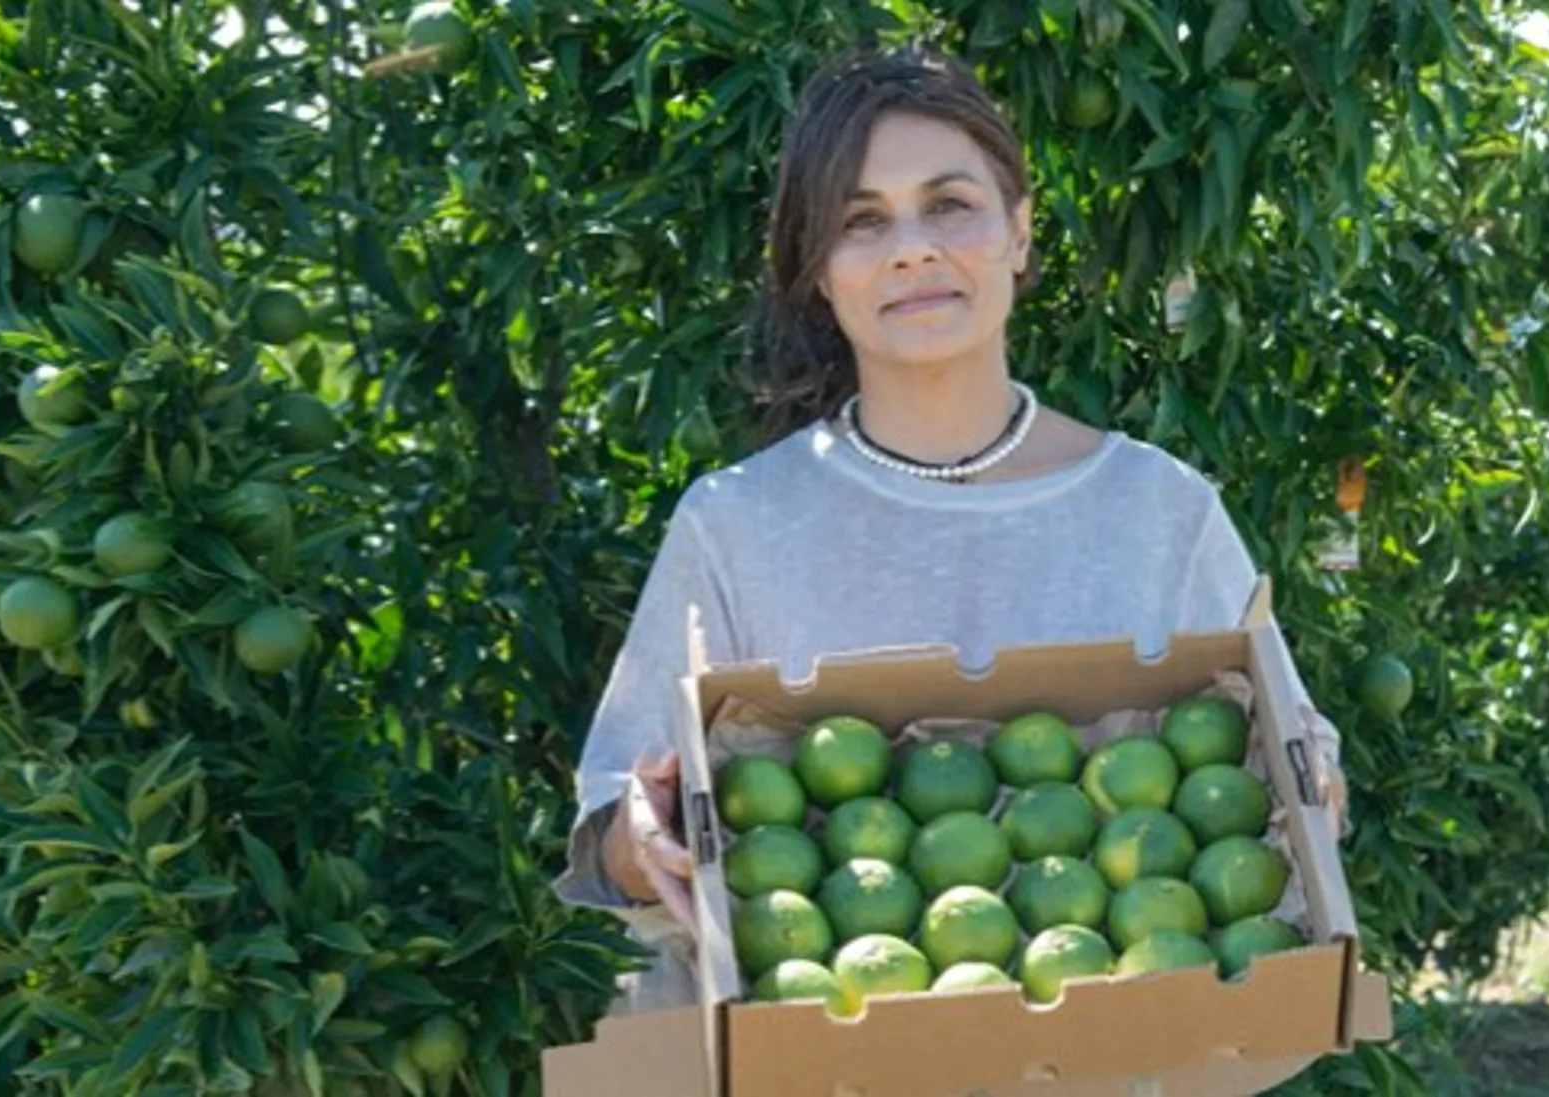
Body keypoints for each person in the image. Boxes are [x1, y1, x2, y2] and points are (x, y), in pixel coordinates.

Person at [553, 43, 1348, 1013]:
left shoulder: (1159, 512)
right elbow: (608, 832)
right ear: (819, 272)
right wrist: (640, 842)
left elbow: (1280, 784)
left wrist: (1314, 787)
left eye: (949, 204)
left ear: (1019, 231)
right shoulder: (739, 525)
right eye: (862, 220)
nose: (912, 248)